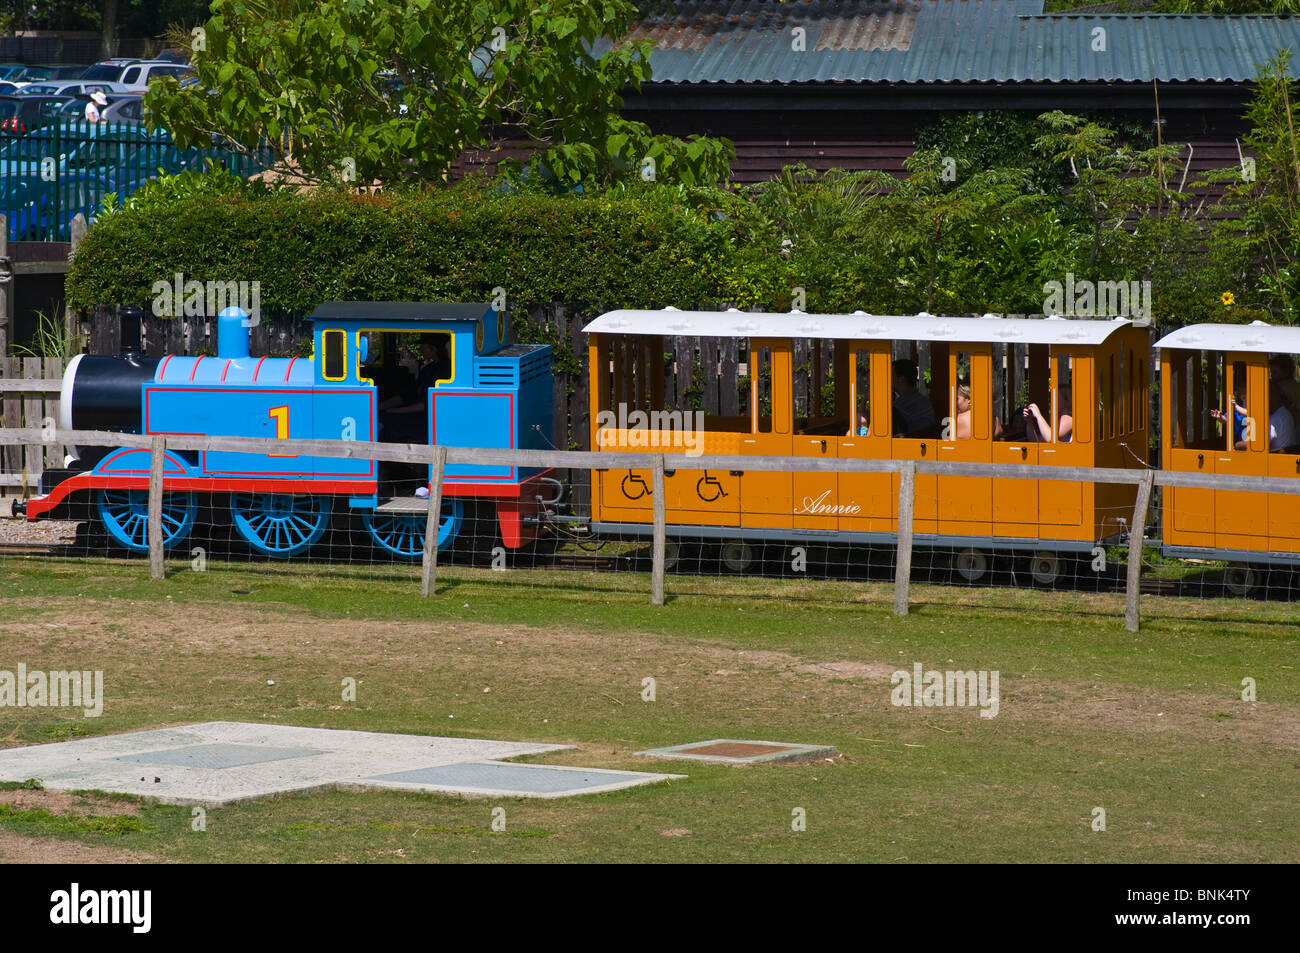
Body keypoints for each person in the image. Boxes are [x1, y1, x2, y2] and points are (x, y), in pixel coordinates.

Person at [379, 336, 450, 441]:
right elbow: (408, 395)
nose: (420, 349)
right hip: (419, 413)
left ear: (433, 349)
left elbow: (423, 405)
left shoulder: (444, 371)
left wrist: (393, 411)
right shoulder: (428, 369)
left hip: (430, 418)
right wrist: (378, 407)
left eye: (423, 346)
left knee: (389, 422)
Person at [892, 359, 935, 436]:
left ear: (901, 379)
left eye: (892, 375)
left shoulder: (899, 406)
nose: (888, 378)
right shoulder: (923, 401)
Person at [1210, 379, 1249, 450]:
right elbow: (1225, 420)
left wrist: (1236, 406)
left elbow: (1249, 413)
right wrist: (1219, 417)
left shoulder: (1253, 405)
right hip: (1241, 441)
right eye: (1241, 393)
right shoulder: (1236, 408)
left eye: (1245, 392)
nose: (1243, 395)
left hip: (1253, 442)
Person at [1269, 380, 1295, 451]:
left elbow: (1259, 444)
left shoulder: (1277, 417)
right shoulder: (1285, 413)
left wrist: (1237, 445)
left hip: (1275, 459)